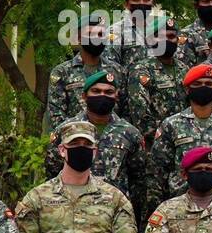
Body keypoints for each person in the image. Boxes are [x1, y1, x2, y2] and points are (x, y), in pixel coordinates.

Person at [45, 70, 147, 221]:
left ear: (116, 96)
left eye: (109, 92)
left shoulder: (130, 133)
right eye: (96, 91)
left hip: (115, 214)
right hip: (72, 212)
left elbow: (138, 180)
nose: (102, 96)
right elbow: (52, 170)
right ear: (84, 96)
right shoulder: (66, 130)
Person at [148, 64, 212, 205]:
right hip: (181, 202)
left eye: (209, 83)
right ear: (188, 90)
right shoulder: (171, 124)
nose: (204, 87)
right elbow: (158, 166)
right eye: (198, 84)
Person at [45, 15, 126, 130]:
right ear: (79, 38)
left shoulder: (117, 71)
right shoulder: (62, 72)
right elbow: (56, 116)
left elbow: (125, 110)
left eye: (100, 34)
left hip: (112, 140)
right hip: (76, 140)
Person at [125, 16, 192, 140]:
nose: (166, 40)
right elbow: (140, 112)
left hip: (187, 137)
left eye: (171, 36)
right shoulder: (141, 69)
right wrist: (164, 136)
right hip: (158, 141)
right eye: (161, 36)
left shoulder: (184, 68)